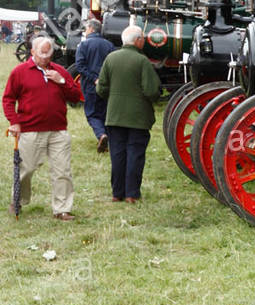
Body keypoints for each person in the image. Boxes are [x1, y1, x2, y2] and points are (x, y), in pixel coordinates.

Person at [3, 34, 84, 220]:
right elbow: (8, 99)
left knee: (62, 170)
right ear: (32, 52)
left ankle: (62, 209)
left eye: (49, 54)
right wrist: (13, 121)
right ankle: (18, 200)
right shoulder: (20, 72)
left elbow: (75, 96)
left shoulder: (60, 71)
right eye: (42, 54)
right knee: (26, 168)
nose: (46, 58)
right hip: (30, 130)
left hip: (58, 130)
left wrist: (61, 81)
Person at [96, 25, 162, 203]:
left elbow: (101, 88)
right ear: (138, 41)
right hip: (138, 118)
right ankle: (132, 194)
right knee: (135, 154)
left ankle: (117, 193)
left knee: (117, 154)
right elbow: (151, 90)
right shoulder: (142, 61)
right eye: (142, 38)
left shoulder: (110, 58)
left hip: (114, 116)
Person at [73, 17, 114, 152]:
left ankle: (101, 135)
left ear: (90, 29)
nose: (85, 31)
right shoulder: (109, 45)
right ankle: (107, 137)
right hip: (107, 85)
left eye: (86, 28)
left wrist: (94, 79)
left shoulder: (83, 45)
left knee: (92, 113)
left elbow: (80, 66)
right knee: (105, 112)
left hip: (90, 85)